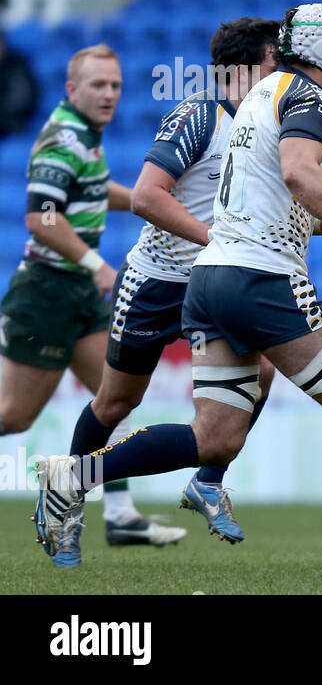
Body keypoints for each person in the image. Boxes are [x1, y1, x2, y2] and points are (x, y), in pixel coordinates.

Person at [34, 5, 322, 580]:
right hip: (260, 277)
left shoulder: (253, 99)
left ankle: (72, 476)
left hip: (208, 280)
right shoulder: (310, 98)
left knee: (214, 436)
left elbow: (278, 191)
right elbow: (299, 173)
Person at [51, 19, 281, 567]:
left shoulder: (264, 125)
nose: (284, 74)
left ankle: (208, 481)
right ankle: (67, 502)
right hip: (157, 282)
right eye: (276, 61)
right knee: (116, 401)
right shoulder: (200, 115)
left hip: (212, 288)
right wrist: (218, 238)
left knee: (264, 371)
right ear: (247, 67)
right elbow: (146, 197)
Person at [0, 44, 185, 549]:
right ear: (71, 89)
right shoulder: (64, 137)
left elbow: (96, 190)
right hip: (46, 292)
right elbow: (43, 218)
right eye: (98, 85)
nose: (108, 94)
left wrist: (158, 201)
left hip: (74, 293)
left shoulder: (86, 136)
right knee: (14, 416)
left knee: (114, 399)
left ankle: (120, 515)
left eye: (115, 85)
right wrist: (98, 266)